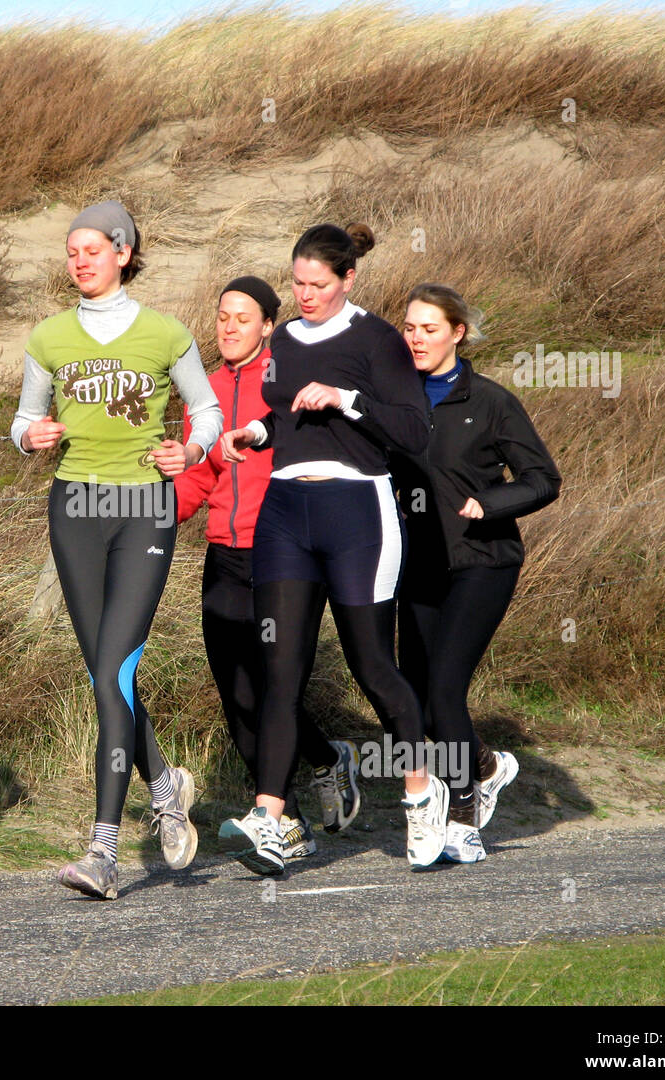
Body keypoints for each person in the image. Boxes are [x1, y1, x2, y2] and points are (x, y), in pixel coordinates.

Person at [219, 223, 446, 874]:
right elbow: (286, 413)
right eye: (297, 284)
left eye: (319, 285)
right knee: (279, 672)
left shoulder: (376, 340)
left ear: (348, 280)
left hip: (358, 514)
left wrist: (347, 399)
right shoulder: (285, 338)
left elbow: (411, 430)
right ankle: (269, 816)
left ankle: (421, 793)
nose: (306, 295)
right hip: (287, 511)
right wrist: (256, 433)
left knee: (373, 666)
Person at [11, 200, 223, 899]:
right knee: (108, 672)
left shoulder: (165, 333)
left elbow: (210, 410)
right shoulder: (49, 336)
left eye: (92, 249)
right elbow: (24, 416)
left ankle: (102, 851)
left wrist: (188, 448)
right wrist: (30, 437)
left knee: (111, 673)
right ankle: (165, 785)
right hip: (75, 506)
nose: (79, 260)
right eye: (71, 250)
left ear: (124, 252)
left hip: (141, 508)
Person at [174, 275, 361, 861]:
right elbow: (199, 476)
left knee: (276, 688)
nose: (229, 327)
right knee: (239, 697)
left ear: (268, 326)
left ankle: (308, 782)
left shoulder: (288, 382)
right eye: (223, 316)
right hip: (222, 554)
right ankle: (294, 816)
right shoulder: (201, 391)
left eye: (242, 317)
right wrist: (149, 518)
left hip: (283, 554)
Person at [394, 282, 561, 862]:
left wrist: (490, 503)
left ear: (457, 333)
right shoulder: (395, 399)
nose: (417, 339)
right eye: (410, 328)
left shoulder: (490, 401)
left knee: (444, 691)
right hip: (416, 566)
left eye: (430, 329)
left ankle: (463, 806)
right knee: (412, 697)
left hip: (481, 561)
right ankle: (485, 768)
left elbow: (543, 479)